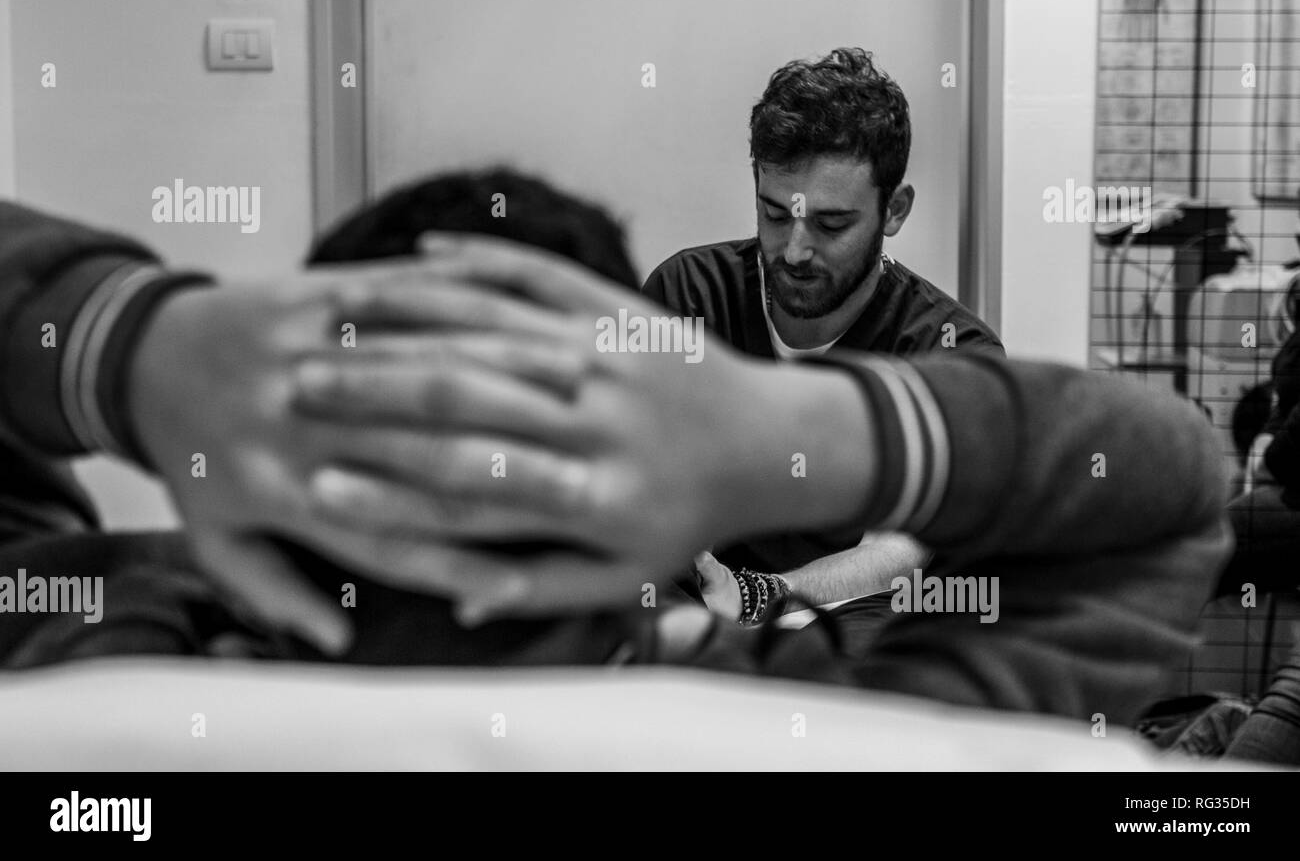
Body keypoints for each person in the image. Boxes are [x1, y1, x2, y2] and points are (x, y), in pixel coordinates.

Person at [0, 178, 1231, 727]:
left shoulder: (74, 651)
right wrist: (784, 431)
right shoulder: (843, 727)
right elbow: (1169, 500)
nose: (795, 247)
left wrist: (133, 343)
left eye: (830, 221)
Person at [642, 48, 1002, 624]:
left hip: (842, 632)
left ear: (894, 211)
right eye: (775, 215)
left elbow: (897, 551)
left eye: (831, 225)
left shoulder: (949, 351)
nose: (794, 251)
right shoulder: (688, 297)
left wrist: (761, 596)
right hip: (686, 628)